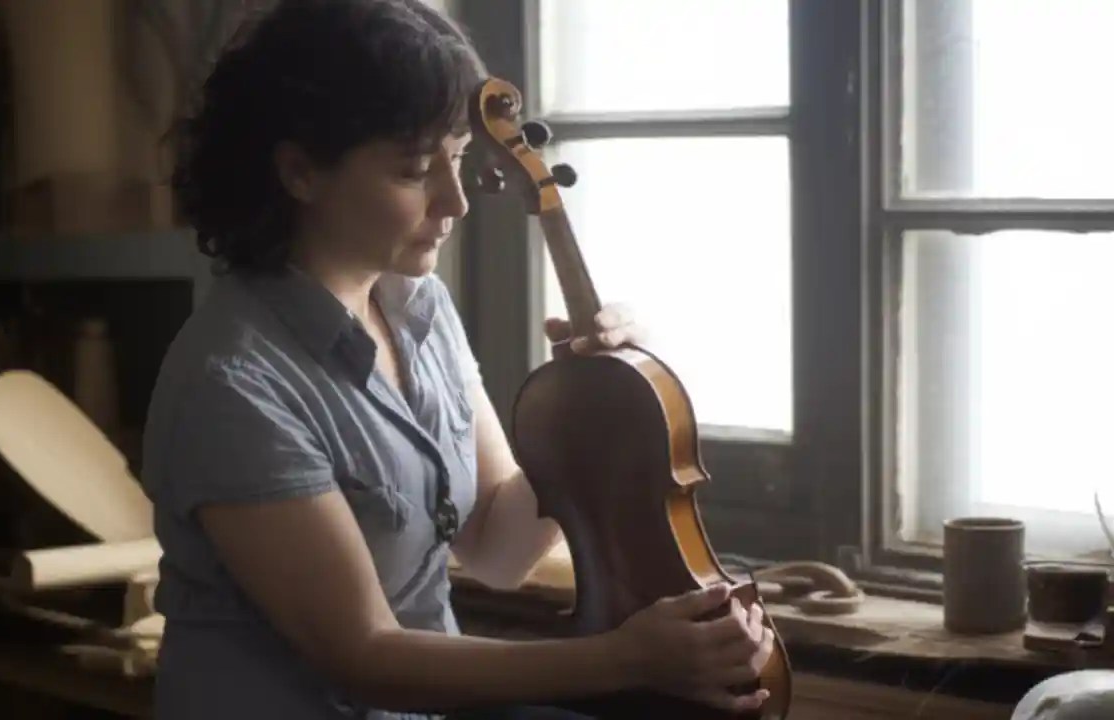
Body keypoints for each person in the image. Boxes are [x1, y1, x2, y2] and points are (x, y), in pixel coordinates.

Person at [141, 1, 775, 718]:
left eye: (459, 158)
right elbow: (365, 657)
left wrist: (594, 413)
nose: (456, 202)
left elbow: (497, 551)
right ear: (299, 171)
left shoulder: (421, 309)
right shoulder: (233, 385)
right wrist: (627, 657)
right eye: (416, 170)